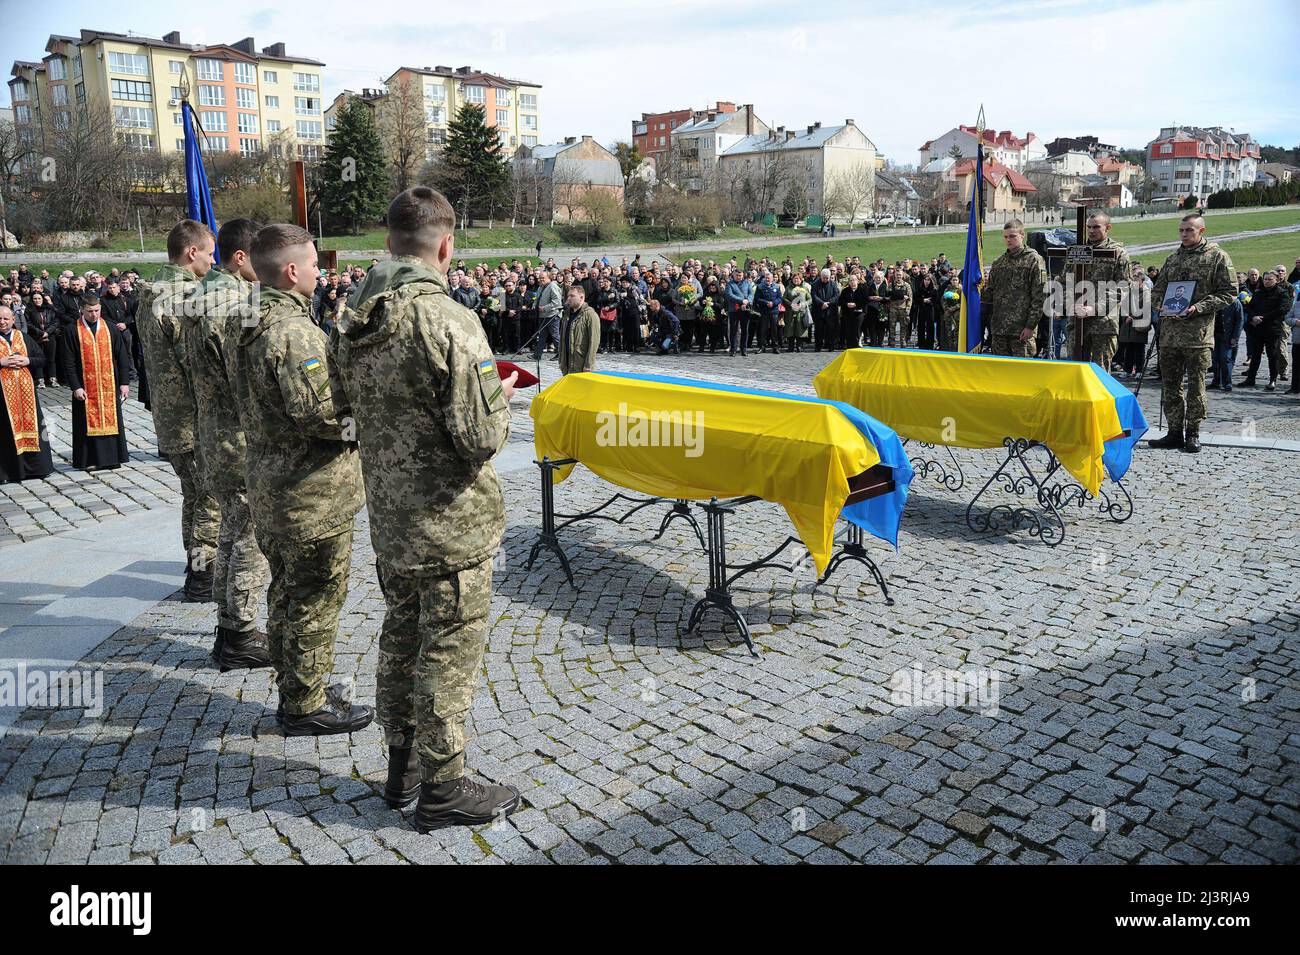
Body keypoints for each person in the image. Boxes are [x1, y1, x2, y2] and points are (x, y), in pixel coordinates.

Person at [333, 186, 521, 830]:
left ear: (389, 243)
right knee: (448, 649)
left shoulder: (353, 317)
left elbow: (340, 403)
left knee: (402, 634)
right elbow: (481, 435)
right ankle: (443, 788)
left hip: (391, 516)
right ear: (446, 246)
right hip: (451, 519)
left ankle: (401, 764)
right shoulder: (447, 319)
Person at [232, 223, 373, 736]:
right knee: (315, 598)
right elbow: (323, 417)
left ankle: (297, 685)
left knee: (287, 593)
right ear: (292, 272)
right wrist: (372, 417)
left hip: (271, 486)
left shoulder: (247, 317)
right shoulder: (293, 333)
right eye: (315, 264)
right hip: (310, 495)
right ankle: (304, 706)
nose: (322, 271)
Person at [182, 218, 273, 671]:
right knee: (248, 534)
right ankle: (240, 631)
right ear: (242, 257)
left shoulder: (199, 296)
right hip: (239, 437)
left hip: (211, 433)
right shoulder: (235, 305)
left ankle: (227, 629)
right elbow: (247, 382)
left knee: (229, 529)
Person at [137, 220, 221, 601]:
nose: (212, 259)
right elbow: (196, 360)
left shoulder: (152, 292)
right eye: (208, 252)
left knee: (194, 494)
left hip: (170, 418)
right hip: (195, 415)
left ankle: (195, 567)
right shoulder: (185, 297)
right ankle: (203, 578)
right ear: (191, 252)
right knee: (211, 497)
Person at [1147, 214, 1237, 453]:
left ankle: (1193, 433)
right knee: (1170, 385)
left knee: (1196, 386)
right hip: (1169, 335)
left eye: (1189, 230)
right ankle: (1174, 432)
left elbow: (1229, 292)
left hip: (1198, 335)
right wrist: (1159, 306)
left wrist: (1199, 307)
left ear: (1202, 230)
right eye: (1181, 230)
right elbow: (1158, 290)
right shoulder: (1173, 258)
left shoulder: (1217, 256)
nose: (1184, 234)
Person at [60, 295, 131, 470]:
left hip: (109, 385)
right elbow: (68, 362)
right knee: (86, 423)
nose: (94, 314)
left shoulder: (110, 328)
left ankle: (112, 459)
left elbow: (122, 356)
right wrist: (75, 386)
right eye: (90, 311)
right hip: (85, 387)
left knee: (112, 419)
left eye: (97, 311)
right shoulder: (71, 330)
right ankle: (90, 460)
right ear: (82, 310)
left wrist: (124, 382)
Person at [1064, 213, 1131, 368]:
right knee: (1074, 370)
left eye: (1096, 227)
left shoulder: (1118, 253)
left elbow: (1122, 287)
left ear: (1108, 228)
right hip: (1077, 321)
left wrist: (1094, 308)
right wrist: (1068, 304)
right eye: (1089, 227)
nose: (1091, 231)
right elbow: (1064, 281)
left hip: (1103, 324)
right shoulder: (1077, 251)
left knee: (1099, 373)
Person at [0, 304, 54, 482]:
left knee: (34, 428)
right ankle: (9, 471)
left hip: (27, 395)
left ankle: (35, 468)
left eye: (6, 318)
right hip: (3, 399)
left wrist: (27, 360)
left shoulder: (22, 337)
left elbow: (42, 359)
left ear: (13, 320)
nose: (2, 322)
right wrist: (2, 362)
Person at [983, 219, 1047, 357]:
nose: (1008, 240)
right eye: (1005, 237)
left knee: (1023, 373)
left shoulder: (1033, 260)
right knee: (1000, 373)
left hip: (1021, 330)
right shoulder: (999, 263)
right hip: (999, 329)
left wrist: (1030, 326)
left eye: (1012, 236)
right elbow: (989, 294)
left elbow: (1040, 296)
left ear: (1022, 235)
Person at [1240, 270, 1287, 390]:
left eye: (1270, 279)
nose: (1267, 281)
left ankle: (1273, 380)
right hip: (1257, 328)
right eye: (1265, 279)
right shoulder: (1258, 292)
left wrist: (1263, 318)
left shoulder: (1282, 293)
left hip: (1272, 328)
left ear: (1276, 280)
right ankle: (1250, 379)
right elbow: (1250, 307)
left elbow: (1281, 310)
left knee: (1272, 355)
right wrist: (1253, 317)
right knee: (1255, 355)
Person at [559, 284, 600, 373]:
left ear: (581, 297)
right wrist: (561, 361)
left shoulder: (590, 314)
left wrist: (588, 364)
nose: (568, 298)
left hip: (580, 363)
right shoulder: (567, 314)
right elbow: (562, 338)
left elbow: (594, 342)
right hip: (567, 363)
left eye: (572, 296)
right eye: (568, 296)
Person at [724, 267, 753, 357]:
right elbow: (729, 295)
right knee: (733, 330)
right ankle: (733, 349)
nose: (738, 277)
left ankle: (743, 349)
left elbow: (751, 294)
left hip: (745, 309)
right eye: (737, 275)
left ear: (743, 275)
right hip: (734, 310)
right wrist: (741, 300)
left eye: (740, 275)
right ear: (733, 275)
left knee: (745, 330)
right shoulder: (730, 284)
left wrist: (748, 301)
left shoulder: (747, 283)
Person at [534, 270, 562, 360]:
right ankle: (537, 355)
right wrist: (534, 305)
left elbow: (557, 302)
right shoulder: (540, 287)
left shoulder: (553, 286)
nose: (541, 279)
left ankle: (561, 355)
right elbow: (537, 298)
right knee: (541, 336)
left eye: (543, 278)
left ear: (548, 278)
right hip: (543, 315)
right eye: (540, 278)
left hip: (552, 315)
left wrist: (545, 308)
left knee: (555, 335)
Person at [811, 269, 840, 351]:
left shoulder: (833, 284)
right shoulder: (815, 284)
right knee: (819, 329)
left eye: (827, 278)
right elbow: (814, 295)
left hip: (830, 310)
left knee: (830, 329)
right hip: (819, 310)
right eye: (824, 278)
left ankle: (830, 346)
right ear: (821, 277)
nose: (825, 280)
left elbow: (836, 295)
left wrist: (828, 303)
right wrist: (822, 303)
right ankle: (818, 346)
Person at [838, 272, 869, 350]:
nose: (852, 282)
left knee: (857, 327)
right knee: (848, 327)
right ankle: (849, 345)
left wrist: (856, 304)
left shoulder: (862, 290)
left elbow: (865, 300)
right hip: (848, 312)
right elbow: (840, 301)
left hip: (859, 312)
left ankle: (856, 343)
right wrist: (847, 304)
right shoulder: (845, 291)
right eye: (851, 280)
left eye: (854, 280)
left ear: (857, 281)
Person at [886, 267, 913, 348]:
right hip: (893, 309)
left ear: (903, 275)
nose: (898, 276)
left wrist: (908, 309)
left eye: (900, 275)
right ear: (895, 275)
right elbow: (889, 296)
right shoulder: (891, 285)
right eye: (897, 275)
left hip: (903, 309)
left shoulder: (906, 285)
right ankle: (892, 343)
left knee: (903, 327)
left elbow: (910, 298)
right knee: (892, 327)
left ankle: (903, 342)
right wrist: (901, 296)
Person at [783, 274, 811, 352]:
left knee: (799, 329)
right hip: (790, 312)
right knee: (790, 329)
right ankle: (790, 346)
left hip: (800, 312)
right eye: (795, 279)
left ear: (801, 279)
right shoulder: (788, 288)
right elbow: (784, 298)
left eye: (798, 279)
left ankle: (799, 346)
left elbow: (810, 299)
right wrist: (791, 304)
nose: (796, 280)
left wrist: (803, 304)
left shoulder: (804, 288)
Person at [1286, 293, 1300, 395]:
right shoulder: (1297, 305)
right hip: (1297, 340)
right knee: (1296, 365)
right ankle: (1294, 387)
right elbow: (1287, 318)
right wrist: (1296, 322)